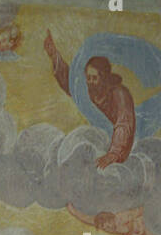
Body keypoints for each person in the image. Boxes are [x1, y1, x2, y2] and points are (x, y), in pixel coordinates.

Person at [44, 34, 135, 168]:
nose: (89, 82)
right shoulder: (90, 90)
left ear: (104, 78)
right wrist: (54, 56)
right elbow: (70, 84)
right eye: (88, 77)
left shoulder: (120, 94)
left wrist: (113, 153)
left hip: (118, 148)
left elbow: (124, 124)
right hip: (98, 143)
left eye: (94, 78)